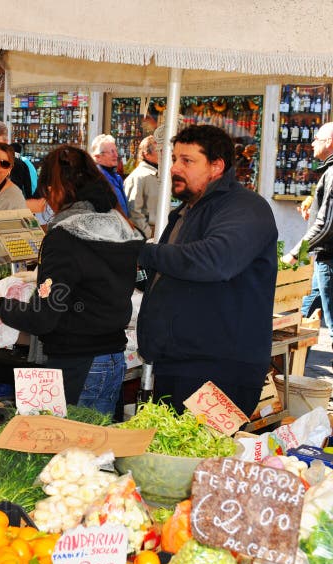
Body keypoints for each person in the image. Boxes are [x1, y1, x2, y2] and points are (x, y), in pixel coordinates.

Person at [0, 145, 143, 412]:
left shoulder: (64, 236)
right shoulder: (121, 226)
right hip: (113, 359)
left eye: (47, 191)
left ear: (55, 189)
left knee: (69, 437)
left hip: (78, 362)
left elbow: (43, 316)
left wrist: (0, 305)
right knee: (96, 437)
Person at [137, 125, 278, 416]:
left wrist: (142, 252)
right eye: (174, 159)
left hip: (219, 370)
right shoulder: (185, 212)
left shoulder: (246, 208)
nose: (174, 168)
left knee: (200, 447)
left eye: (187, 161)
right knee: (170, 444)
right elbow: (170, 273)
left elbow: (215, 260)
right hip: (177, 362)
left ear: (216, 166)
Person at [282, 121, 333, 337]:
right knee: (303, 316)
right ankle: (293, 357)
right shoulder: (328, 171)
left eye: (317, 139)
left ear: (329, 142)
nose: (312, 143)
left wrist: (296, 254)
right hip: (324, 259)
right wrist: (313, 209)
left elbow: (326, 225)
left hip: (329, 260)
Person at [124, 135, 160, 237]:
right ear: (146, 154)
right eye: (158, 150)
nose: (162, 154)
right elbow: (133, 212)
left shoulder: (160, 175)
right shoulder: (138, 177)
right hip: (147, 235)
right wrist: (148, 234)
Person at [90, 134, 129, 216]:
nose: (116, 155)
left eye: (116, 151)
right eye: (111, 152)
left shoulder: (116, 177)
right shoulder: (97, 179)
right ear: (98, 157)